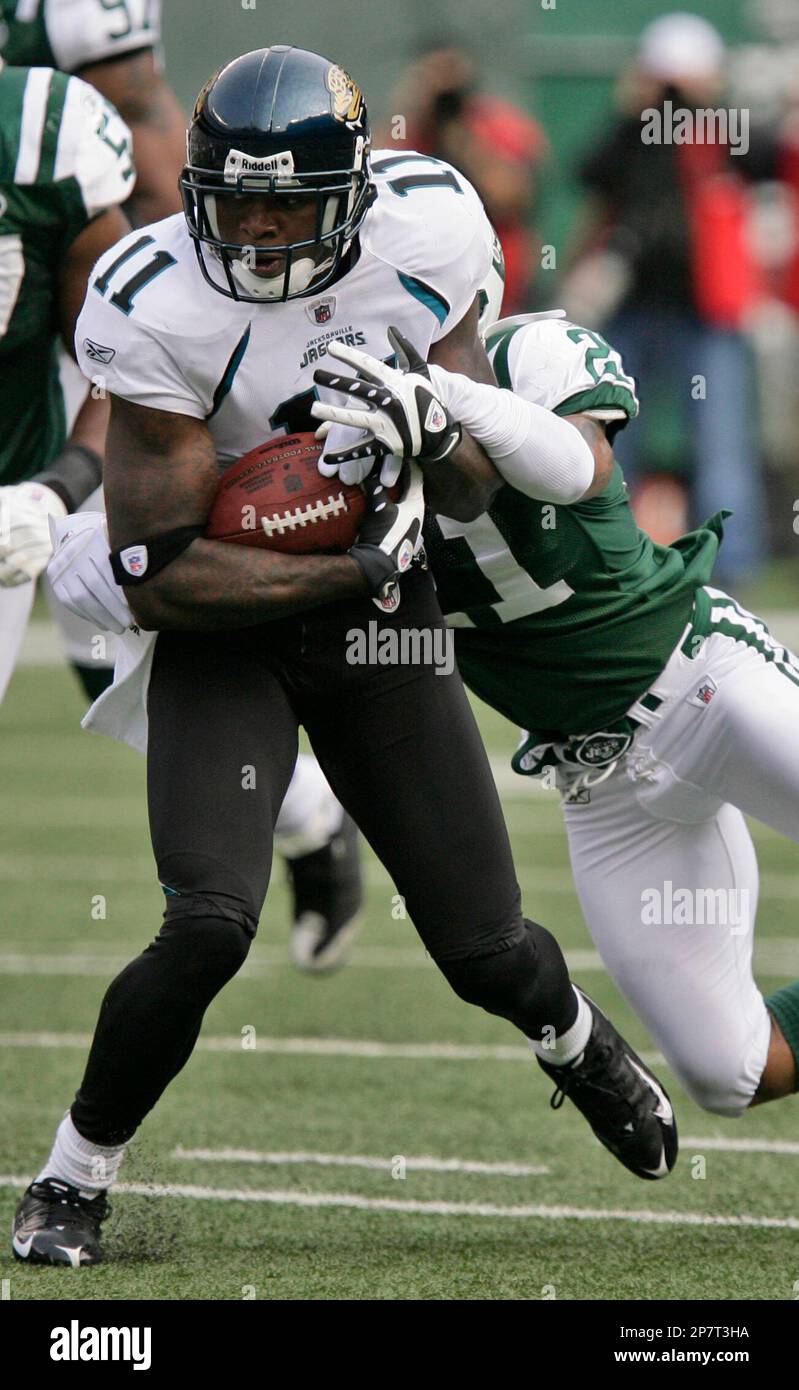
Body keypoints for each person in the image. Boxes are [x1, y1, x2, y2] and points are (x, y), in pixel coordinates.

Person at [13, 45, 676, 1267]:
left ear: (356, 195)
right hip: (227, 625)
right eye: (235, 203)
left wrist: (435, 425)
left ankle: (578, 1041)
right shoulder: (151, 294)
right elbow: (158, 572)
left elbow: (471, 489)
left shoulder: (427, 232)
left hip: (384, 616)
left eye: (289, 206)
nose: (259, 231)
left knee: (486, 950)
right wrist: (350, 563)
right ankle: (72, 1174)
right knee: (207, 924)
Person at [312, 303, 799, 1122]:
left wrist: (446, 402)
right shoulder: (326, 432)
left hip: (704, 685)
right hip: (598, 780)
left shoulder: (527, 354)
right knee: (731, 1073)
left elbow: (575, 467)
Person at [0, 2, 361, 971]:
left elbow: (149, 215)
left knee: (127, 632)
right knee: (113, 654)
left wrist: (179, 352)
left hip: (55, 402)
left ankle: (307, 812)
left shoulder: (47, 101)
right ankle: (310, 812)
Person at [567, 11, 768, 584]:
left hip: (707, 314)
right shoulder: (633, 135)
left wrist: (707, 108)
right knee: (615, 438)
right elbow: (589, 171)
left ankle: (732, 567)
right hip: (633, 311)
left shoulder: (722, 133)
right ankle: (617, 559)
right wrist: (636, 110)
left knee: (721, 444)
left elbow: (763, 155)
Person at [388, 41, 546, 313]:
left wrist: (460, 138)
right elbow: (378, 185)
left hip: (501, 283)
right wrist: (409, 111)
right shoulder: (409, 130)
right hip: (423, 286)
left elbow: (510, 198)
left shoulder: (498, 126)